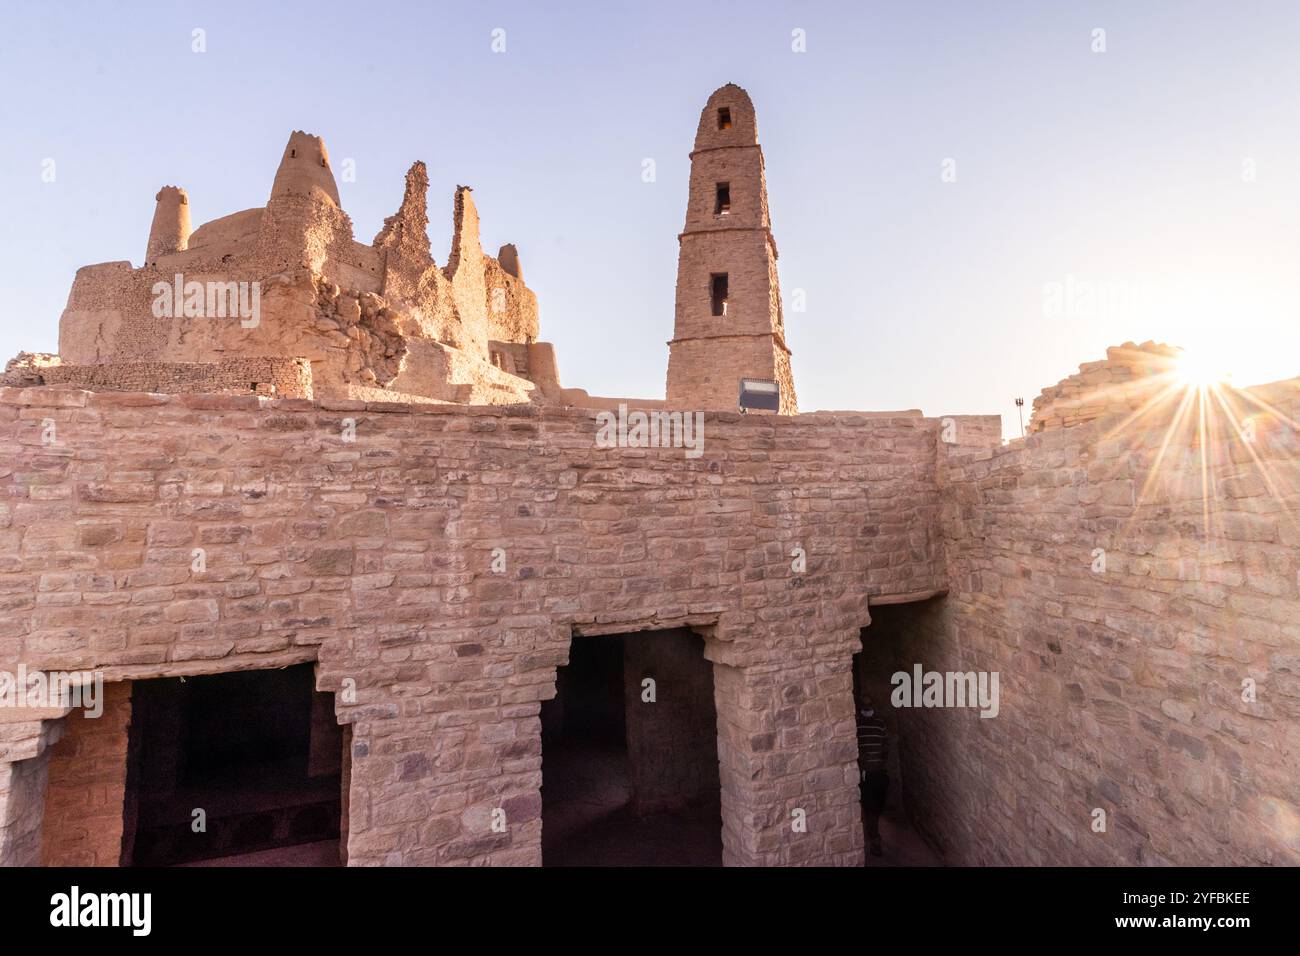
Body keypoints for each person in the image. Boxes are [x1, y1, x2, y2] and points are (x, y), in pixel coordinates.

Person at [856, 694, 889, 857]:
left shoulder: (859, 725)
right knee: (873, 808)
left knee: (873, 808)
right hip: (874, 773)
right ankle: (874, 839)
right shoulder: (878, 723)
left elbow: (883, 747)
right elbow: (885, 748)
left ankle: (874, 838)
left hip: (871, 773)